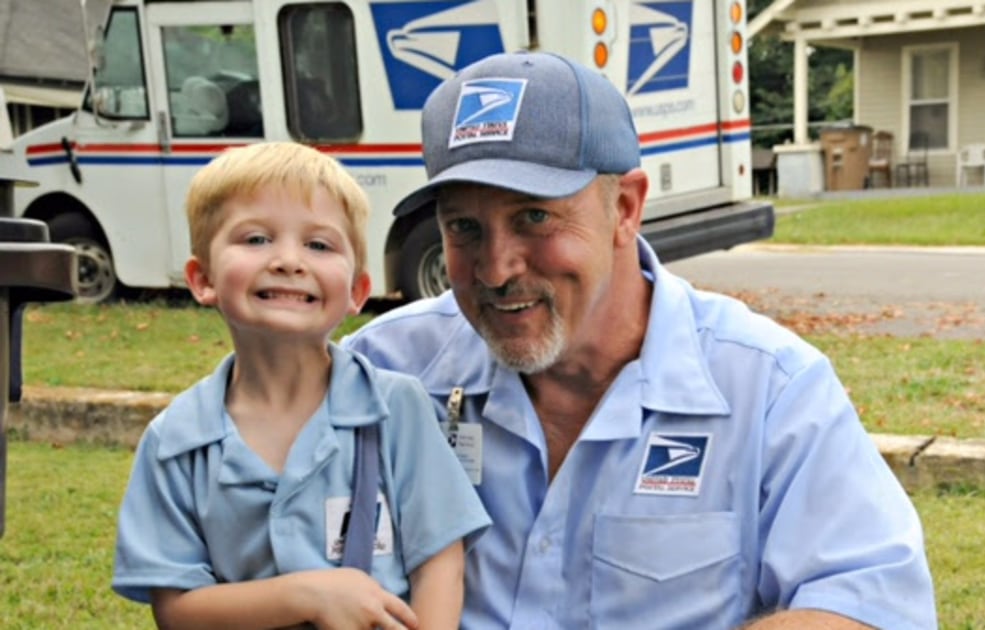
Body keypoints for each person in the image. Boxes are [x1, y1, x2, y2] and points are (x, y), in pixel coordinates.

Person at [343, 51, 937, 629]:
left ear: (625, 208)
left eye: (534, 218)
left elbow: (870, 604)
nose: (495, 269)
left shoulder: (768, 388)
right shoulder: (384, 369)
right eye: (463, 228)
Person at [112, 142, 490, 629]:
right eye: (255, 240)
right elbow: (177, 609)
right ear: (202, 278)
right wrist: (308, 594)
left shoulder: (396, 407)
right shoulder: (176, 441)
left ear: (357, 290)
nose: (289, 261)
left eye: (319, 245)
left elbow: (440, 558)